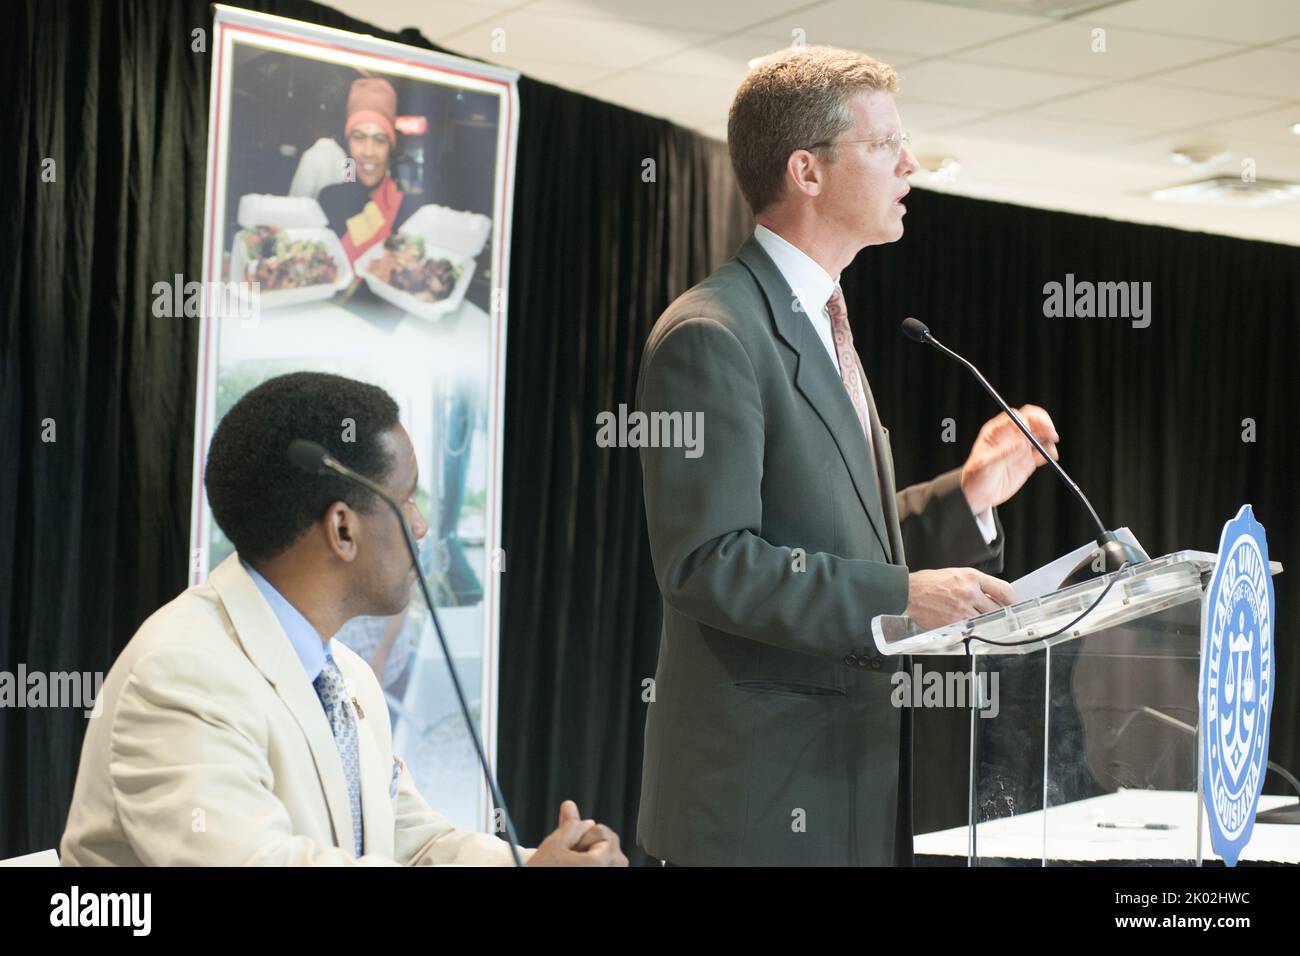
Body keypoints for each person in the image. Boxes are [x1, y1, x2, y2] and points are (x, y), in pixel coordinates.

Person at [634, 46, 1060, 866]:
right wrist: (904, 592)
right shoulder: (713, 334)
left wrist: (965, 498)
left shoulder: (825, 320)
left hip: (845, 791)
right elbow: (707, 562)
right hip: (756, 807)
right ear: (808, 171)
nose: (911, 163)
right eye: (883, 144)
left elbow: (835, 536)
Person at [61, 372, 626, 867]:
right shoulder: (181, 673)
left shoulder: (345, 676)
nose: (423, 525)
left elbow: (411, 842)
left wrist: (537, 863)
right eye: (407, 500)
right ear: (343, 529)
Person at [318, 76, 424, 266]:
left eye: (379, 140)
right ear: (347, 144)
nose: (368, 152)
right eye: (359, 137)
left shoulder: (407, 209)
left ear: (390, 148)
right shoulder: (328, 199)